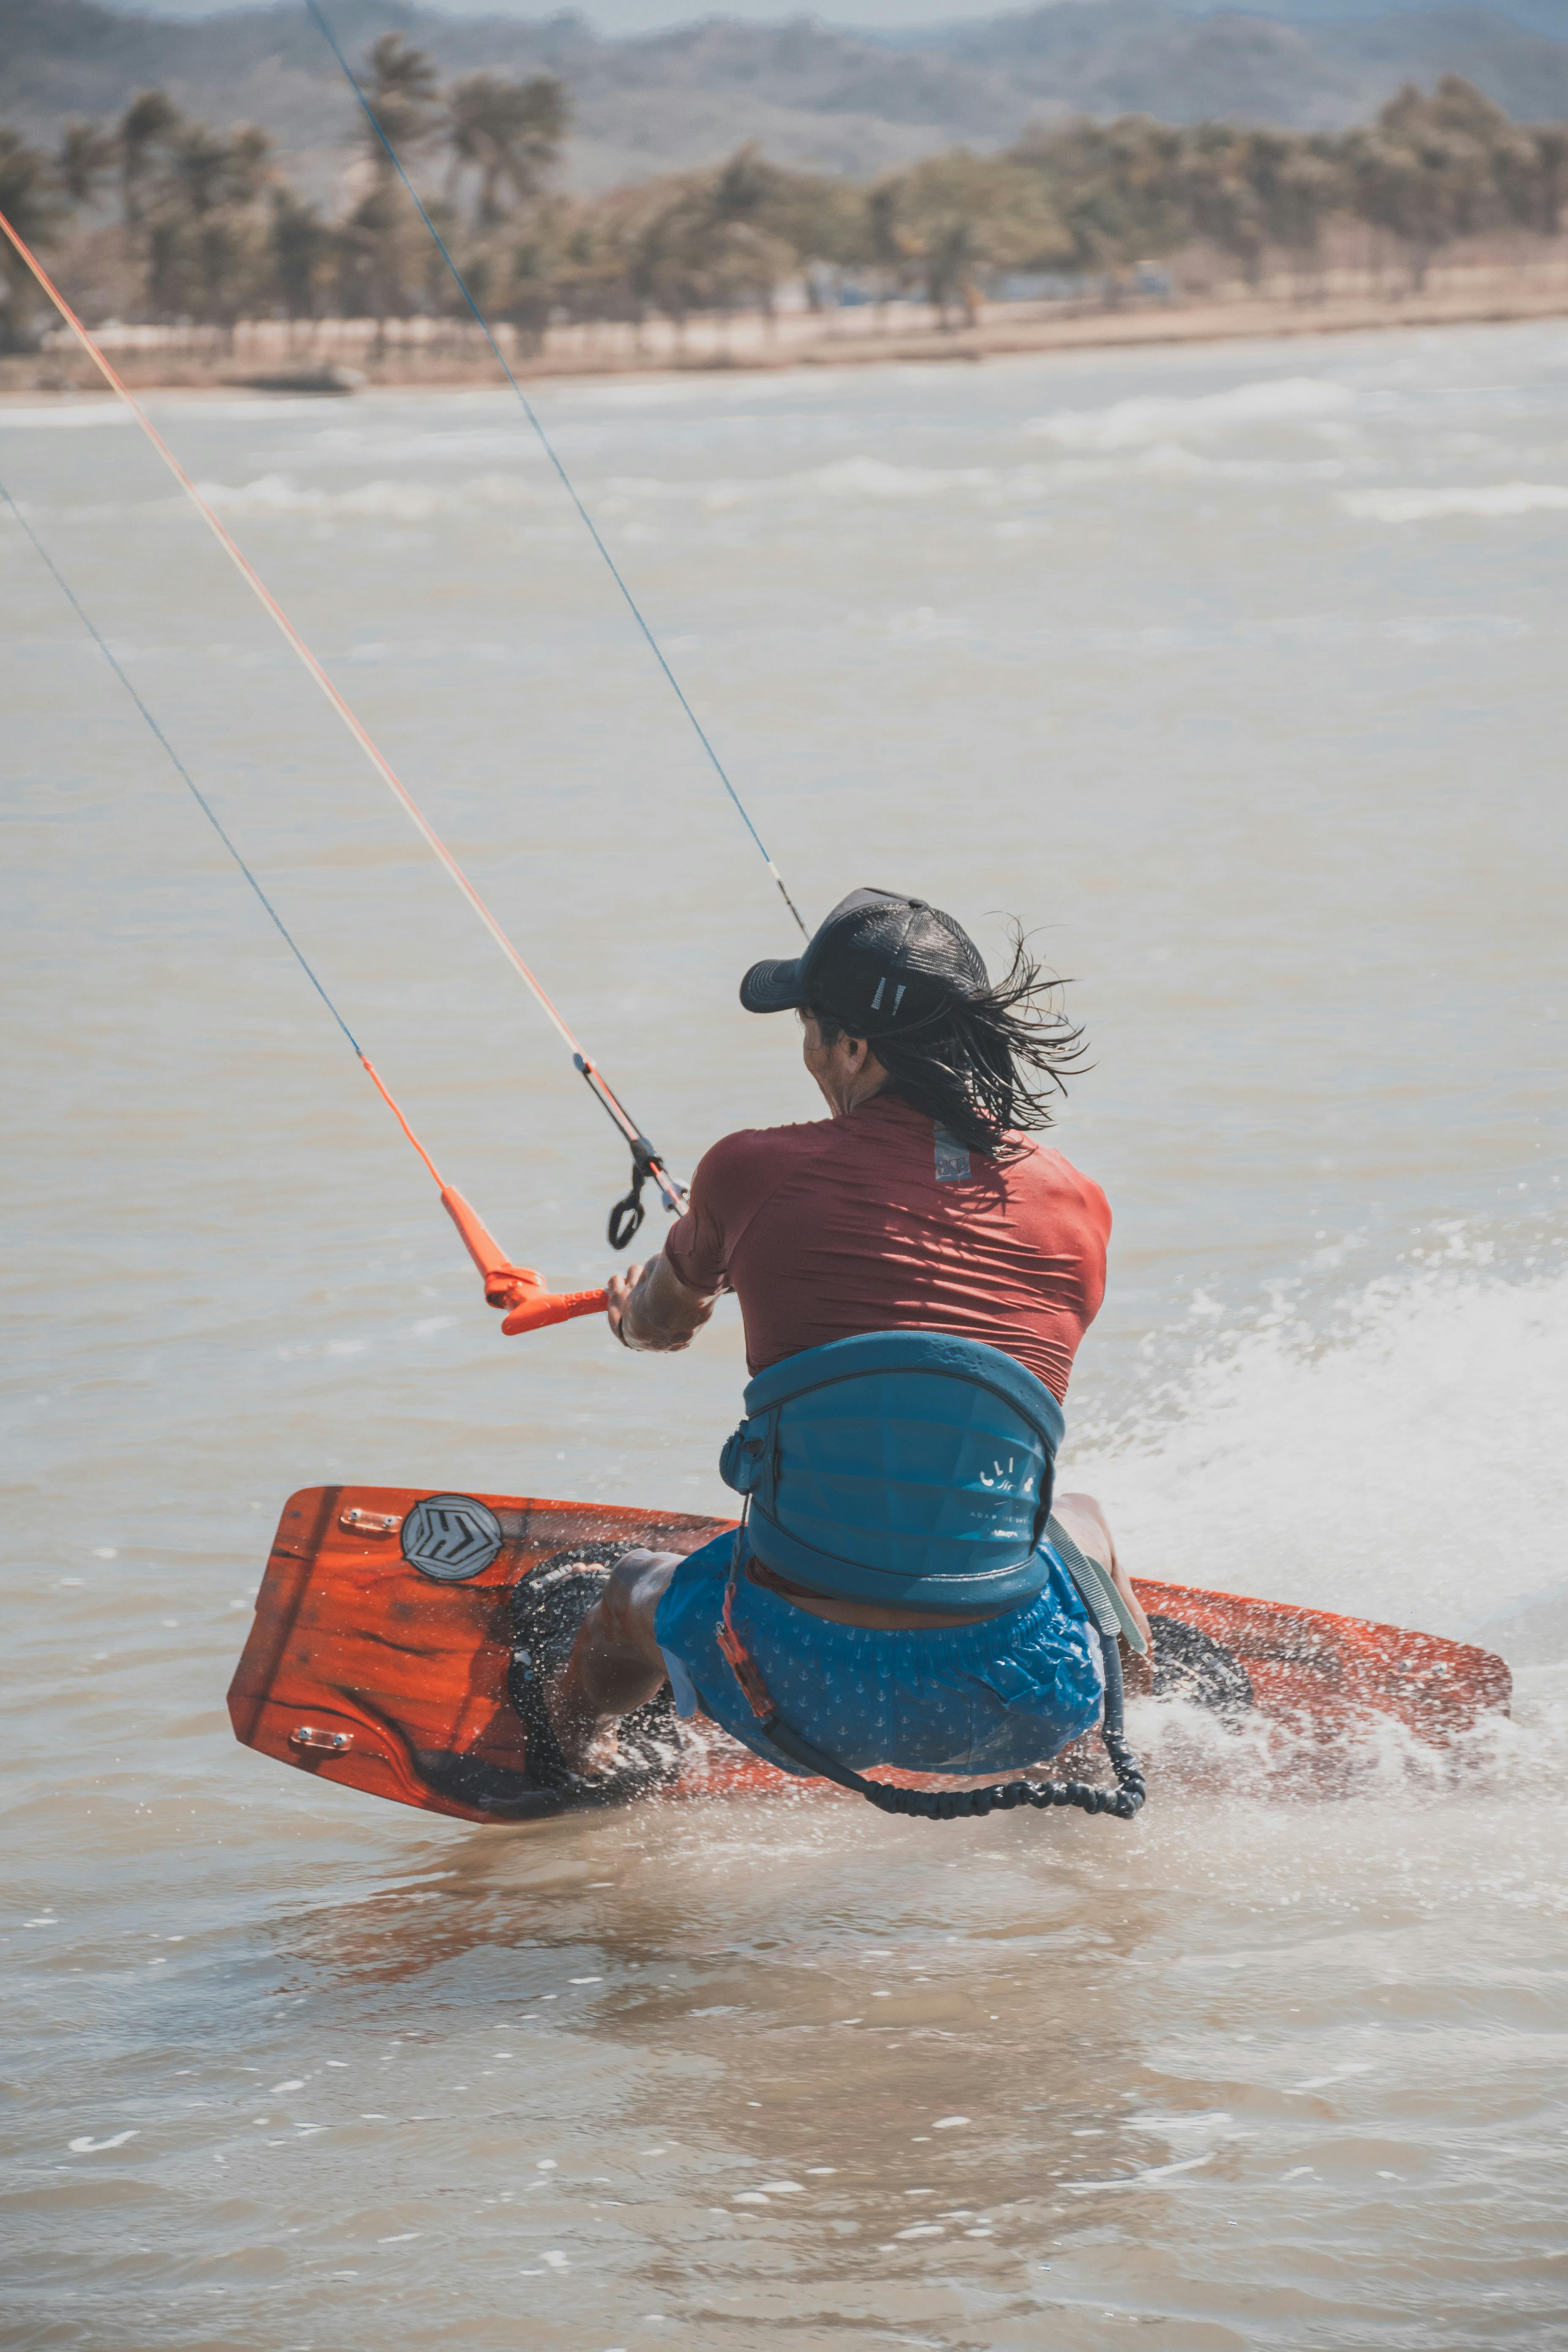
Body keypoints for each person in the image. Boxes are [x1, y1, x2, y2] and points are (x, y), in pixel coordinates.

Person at [511, 886, 1150, 1800]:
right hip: (1019, 1699)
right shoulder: (1077, 1203)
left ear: (852, 1046)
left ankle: (573, 1765)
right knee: (1080, 1516)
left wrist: (632, 1307)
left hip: (794, 1694)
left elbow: (660, 1322)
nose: (807, 1052)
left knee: (628, 1593)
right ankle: (1116, 1746)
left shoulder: (749, 1170)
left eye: (809, 1027)